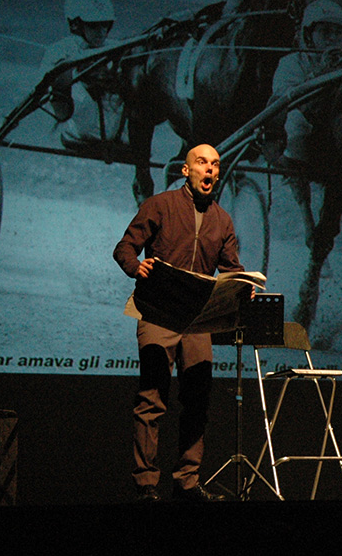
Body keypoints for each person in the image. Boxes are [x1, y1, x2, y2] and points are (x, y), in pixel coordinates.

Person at [113, 144, 244, 502]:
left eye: (215, 165)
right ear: (186, 170)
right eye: (202, 163)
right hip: (158, 311)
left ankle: (186, 481)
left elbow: (231, 269)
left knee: (197, 399)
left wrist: (242, 286)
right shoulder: (161, 204)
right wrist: (134, 266)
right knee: (152, 398)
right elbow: (125, 246)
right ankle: (146, 485)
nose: (210, 170)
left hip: (197, 321)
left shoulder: (222, 219)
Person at [264, 0, 342, 166]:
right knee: (295, 120)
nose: (333, 38)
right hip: (292, 133)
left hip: (332, 127)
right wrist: (321, 72)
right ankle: (296, 177)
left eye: (338, 33)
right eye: (326, 31)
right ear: (308, 35)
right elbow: (282, 100)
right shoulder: (291, 63)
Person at [41, 0, 125, 150]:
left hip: (115, 131)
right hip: (76, 129)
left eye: (105, 25)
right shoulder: (59, 50)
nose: (101, 32)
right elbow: (48, 100)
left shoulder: (115, 46)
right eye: (94, 26)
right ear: (75, 25)